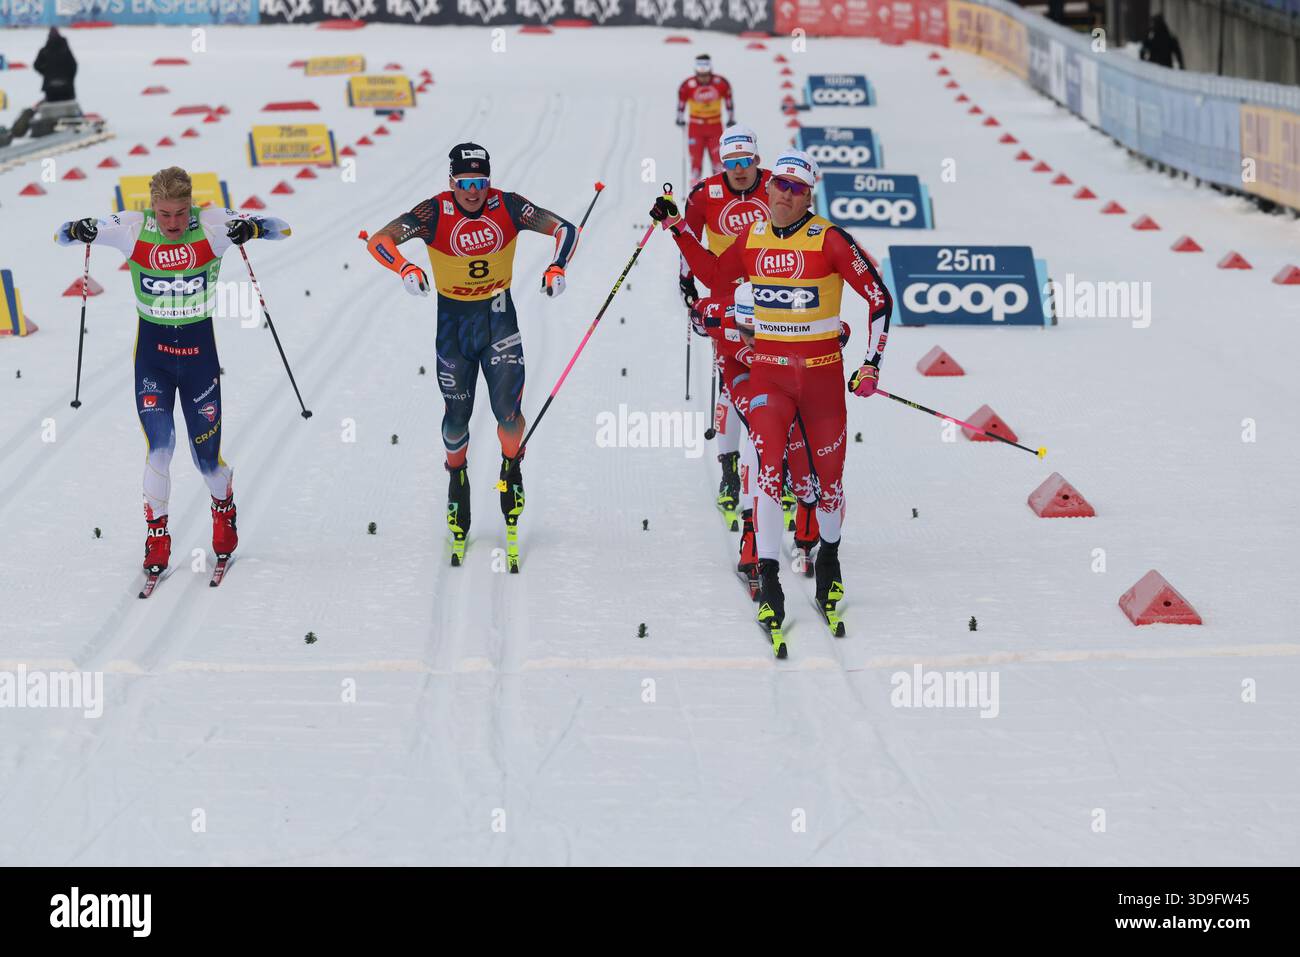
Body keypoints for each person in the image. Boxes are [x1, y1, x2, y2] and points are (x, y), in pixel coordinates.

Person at [651, 150, 893, 655]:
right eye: (779, 185)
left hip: (823, 379)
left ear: (809, 195)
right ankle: (768, 576)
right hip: (770, 378)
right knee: (766, 466)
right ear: (768, 189)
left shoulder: (828, 239)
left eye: (796, 188)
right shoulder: (751, 238)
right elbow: (715, 276)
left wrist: (871, 362)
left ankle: (829, 558)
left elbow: (879, 298)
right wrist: (678, 228)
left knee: (826, 485)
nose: (784, 194)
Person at [55, 167, 291, 577]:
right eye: (164, 215)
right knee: (159, 449)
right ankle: (157, 535)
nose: (173, 224)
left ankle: (223, 506)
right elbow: (60, 234)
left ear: (191, 206)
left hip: (200, 361)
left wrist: (251, 230)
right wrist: (80, 229)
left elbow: (282, 229)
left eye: (181, 213)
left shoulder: (214, 223)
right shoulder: (131, 227)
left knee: (207, 462)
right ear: (152, 208)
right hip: (153, 359)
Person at [365, 143, 577, 569]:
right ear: (451, 183)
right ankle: (456, 476)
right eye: (465, 184)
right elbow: (380, 241)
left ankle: (511, 469)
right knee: (456, 418)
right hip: (454, 328)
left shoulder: (509, 206)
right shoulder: (434, 213)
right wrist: (405, 268)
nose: (473, 193)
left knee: (507, 413)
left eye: (480, 183)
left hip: (499, 321)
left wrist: (557, 267)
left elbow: (565, 229)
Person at [678, 124, 771, 529]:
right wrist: (686, 285)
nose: (738, 170)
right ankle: (730, 472)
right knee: (734, 387)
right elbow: (691, 242)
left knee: (778, 381)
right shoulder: (703, 194)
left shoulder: (779, 187)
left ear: (757, 160)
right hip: (728, 294)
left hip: (774, 294)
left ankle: (779, 468)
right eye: (730, 163)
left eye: (745, 162)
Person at [676, 54, 735, 186]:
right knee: (696, 161)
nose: (703, 79)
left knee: (718, 161)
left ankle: (721, 188)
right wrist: (679, 118)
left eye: (706, 75)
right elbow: (681, 102)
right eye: (700, 76)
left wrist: (731, 118)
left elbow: (729, 100)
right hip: (696, 126)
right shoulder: (688, 85)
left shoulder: (721, 83)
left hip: (715, 126)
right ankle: (695, 191)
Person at [12, 27, 78, 138]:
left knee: (49, 102)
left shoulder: (45, 50)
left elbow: (36, 65)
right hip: (67, 90)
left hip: (50, 90)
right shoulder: (66, 50)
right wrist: (68, 79)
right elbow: (74, 66)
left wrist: (47, 74)